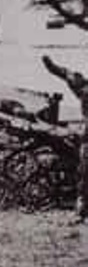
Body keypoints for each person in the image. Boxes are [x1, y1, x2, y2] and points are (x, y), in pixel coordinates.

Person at [42, 55, 88, 222]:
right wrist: (52, 66)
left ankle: (81, 211)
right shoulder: (84, 89)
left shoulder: (84, 89)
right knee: (83, 175)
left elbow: (67, 75)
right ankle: (81, 211)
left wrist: (51, 66)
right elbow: (67, 75)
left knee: (84, 175)